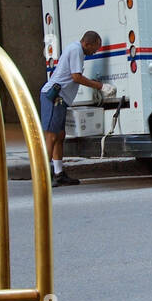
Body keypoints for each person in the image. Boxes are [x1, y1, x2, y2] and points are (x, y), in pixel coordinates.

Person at [40, 30, 112, 186]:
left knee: (60, 135)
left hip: (60, 99)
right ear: (87, 43)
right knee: (51, 136)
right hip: (54, 97)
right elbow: (76, 77)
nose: (95, 51)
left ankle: (59, 174)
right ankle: (43, 176)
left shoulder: (76, 49)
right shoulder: (76, 50)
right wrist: (100, 86)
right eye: (95, 48)